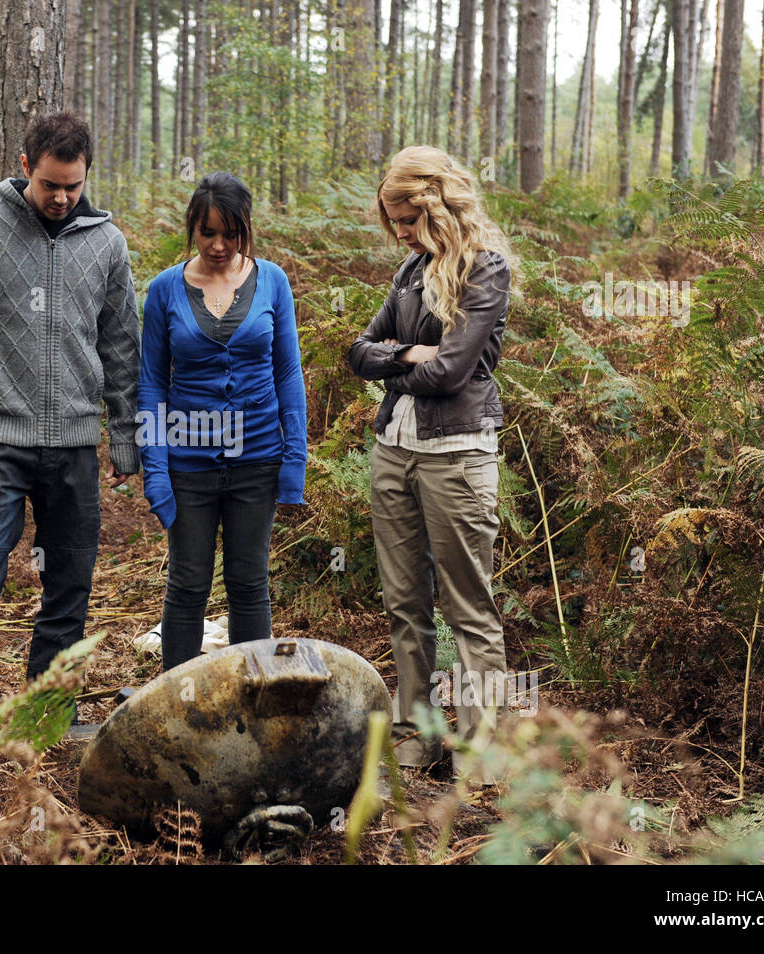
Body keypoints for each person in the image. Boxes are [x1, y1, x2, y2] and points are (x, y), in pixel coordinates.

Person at [0, 111, 140, 707]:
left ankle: (48, 702)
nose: (63, 197)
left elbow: (121, 344)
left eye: (74, 185)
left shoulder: (108, 244)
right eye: (50, 185)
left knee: (69, 582)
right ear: (24, 169)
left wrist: (124, 434)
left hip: (73, 443)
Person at [347, 145, 516, 786]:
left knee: (468, 609)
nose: (400, 234)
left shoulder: (485, 271)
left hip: (458, 456)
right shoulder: (409, 273)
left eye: (408, 221)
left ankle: (479, 754)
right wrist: (410, 354)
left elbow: (450, 373)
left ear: (437, 206)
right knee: (404, 603)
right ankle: (417, 736)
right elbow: (360, 355)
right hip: (394, 451)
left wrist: (413, 357)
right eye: (392, 222)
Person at [138, 172, 307, 671]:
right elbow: (151, 384)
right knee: (188, 583)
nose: (218, 244)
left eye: (229, 233)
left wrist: (293, 460)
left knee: (249, 583)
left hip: (257, 460)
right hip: (188, 464)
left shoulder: (272, 280)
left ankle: (254, 700)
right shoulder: (165, 289)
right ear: (192, 228)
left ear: (245, 229)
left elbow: (288, 372)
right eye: (207, 232)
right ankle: (179, 704)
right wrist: (156, 469)